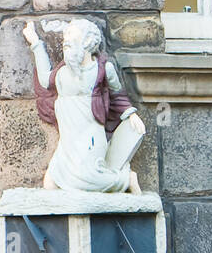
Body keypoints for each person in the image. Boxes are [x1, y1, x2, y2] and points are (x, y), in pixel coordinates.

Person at [23, 18, 145, 193]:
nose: (66, 40)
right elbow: (44, 79)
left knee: (85, 179)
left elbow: (117, 94)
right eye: (65, 36)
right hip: (68, 137)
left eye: (71, 34)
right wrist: (35, 43)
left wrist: (131, 114)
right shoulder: (62, 72)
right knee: (51, 183)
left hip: (90, 135)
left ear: (87, 41)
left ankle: (126, 179)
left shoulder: (102, 70)